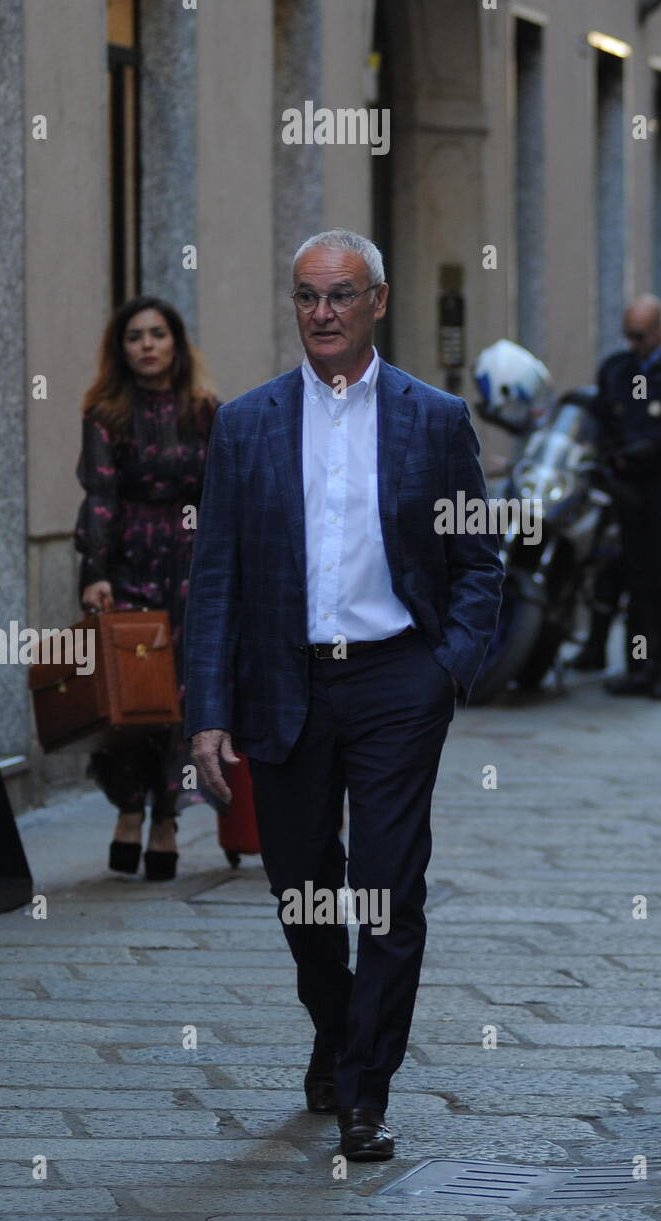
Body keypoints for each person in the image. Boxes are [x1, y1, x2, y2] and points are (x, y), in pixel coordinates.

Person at [185, 229, 503, 1162]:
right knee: (301, 891)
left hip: (396, 677)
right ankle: (335, 1024)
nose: (322, 313)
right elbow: (216, 582)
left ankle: (366, 1087)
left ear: (378, 301)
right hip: (284, 682)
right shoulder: (245, 424)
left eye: (340, 295)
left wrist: (446, 667)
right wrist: (207, 711)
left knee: (388, 893)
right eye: (307, 297)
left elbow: (477, 557)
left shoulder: (434, 419)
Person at [74, 296, 220, 880]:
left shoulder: (207, 410)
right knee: (130, 696)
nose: (148, 345)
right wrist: (96, 573)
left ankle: (167, 819)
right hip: (128, 558)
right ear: (122, 348)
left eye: (158, 334)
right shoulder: (105, 411)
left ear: (177, 343)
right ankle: (129, 809)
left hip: (192, 565)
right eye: (135, 336)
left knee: (182, 696)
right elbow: (101, 497)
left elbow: (222, 493)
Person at [590, 295, 661, 696]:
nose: (633, 344)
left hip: (655, 487)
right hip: (623, 489)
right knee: (630, 576)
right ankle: (639, 667)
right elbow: (598, 417)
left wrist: (641, 451)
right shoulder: (618, 369)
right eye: (628, 335)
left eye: (640, 336)